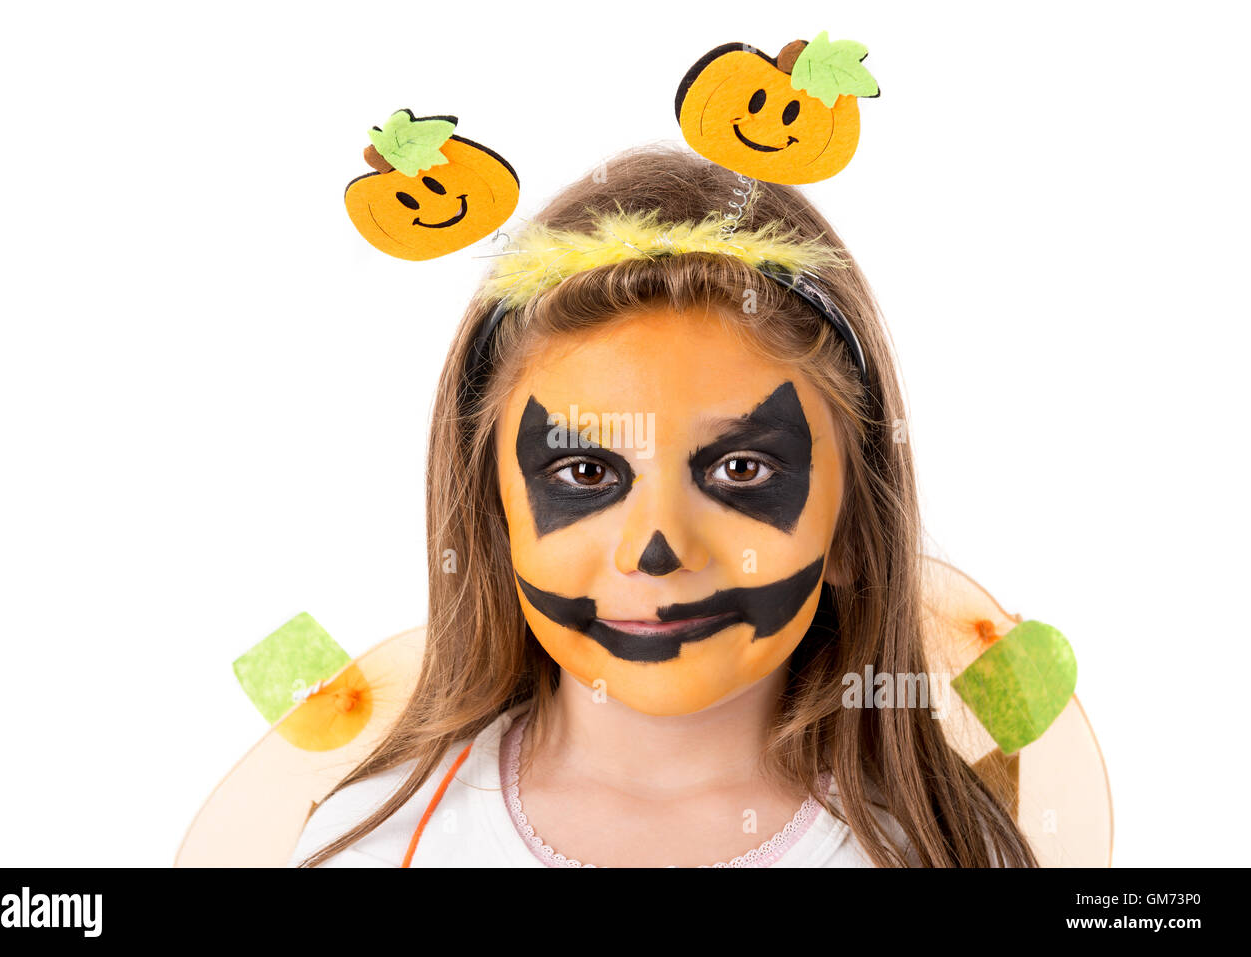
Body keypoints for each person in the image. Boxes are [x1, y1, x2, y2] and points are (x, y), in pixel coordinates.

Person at [289, 144, 1036, 867]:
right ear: (498, 520)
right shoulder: (380, 845)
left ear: (851, 526)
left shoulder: (946, 851)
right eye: (584, 472)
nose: (657, 546)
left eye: (741, 468)